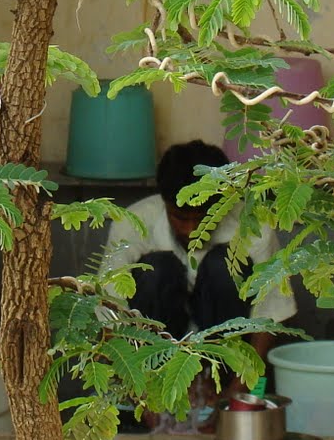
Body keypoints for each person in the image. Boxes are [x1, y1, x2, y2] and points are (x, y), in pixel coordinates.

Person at [99, 141, 295, 378]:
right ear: (165, 203)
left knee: (225, 266)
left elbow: (271, 313)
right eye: (180, 218)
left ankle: (220, 377)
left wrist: (237, 390)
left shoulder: (256, 227)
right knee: (155, 270)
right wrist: (139, 391)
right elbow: (109, 316)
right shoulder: (132, 224)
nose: (191, 230)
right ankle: (157, 379)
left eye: (202, 219)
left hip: (225, 360)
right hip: (154, 361)